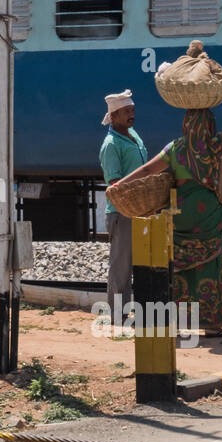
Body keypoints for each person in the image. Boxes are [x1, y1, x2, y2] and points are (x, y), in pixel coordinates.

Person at [117, 73, 222, 337]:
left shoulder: (175, 149)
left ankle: (176, 323)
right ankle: (211, 323)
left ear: (186, 124)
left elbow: (145, 170)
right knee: (210, 267)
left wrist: (119, 185)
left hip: (181, 217)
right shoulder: (217, 146)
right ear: (210, 125)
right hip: (209, 217)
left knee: (177, 270)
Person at [98, 90, 148, 320]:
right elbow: (114, 182)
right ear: (114, 115)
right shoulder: (110, 144)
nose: (132, 115)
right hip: (121, 211)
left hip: (137, 209)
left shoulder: (133, 135)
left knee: (133, 263)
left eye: (133, 111)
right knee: (121, 265)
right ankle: (117, 314)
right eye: (127, 111)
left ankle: (128, 309)